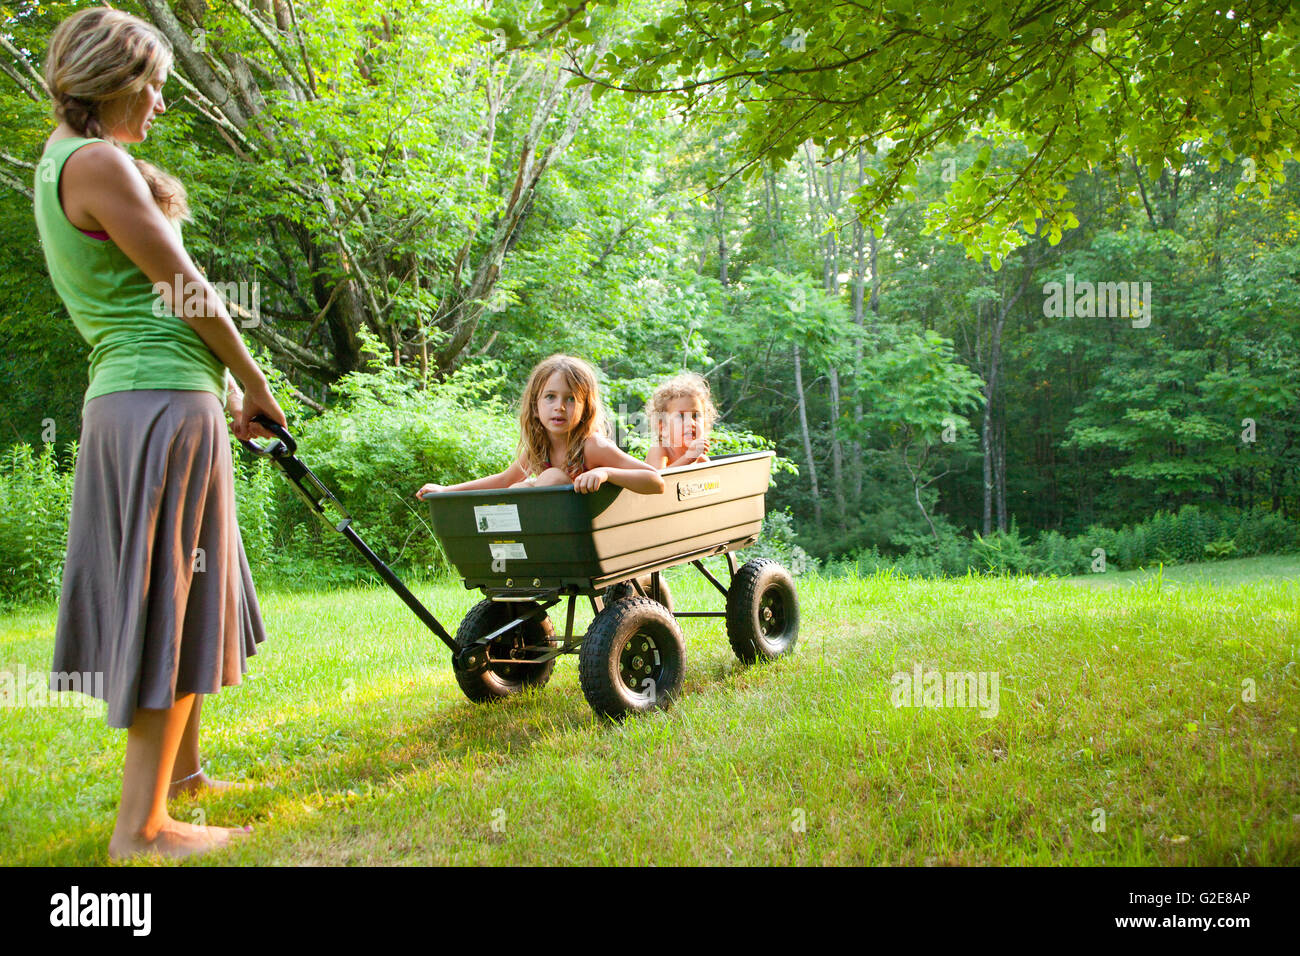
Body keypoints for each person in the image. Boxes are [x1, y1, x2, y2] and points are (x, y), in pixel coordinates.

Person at [35, 7, 286, 859]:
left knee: (186, 581)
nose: (164, 106)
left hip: (149, 396)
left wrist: (229, 390)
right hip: (156, 401)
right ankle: (141, 830)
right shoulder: (98, 161)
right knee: (170, 598)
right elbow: (187, 292)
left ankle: (183, 779)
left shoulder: (66, 163)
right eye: (157, 87)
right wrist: (255, 383)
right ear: (113, 78)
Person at [416, 354, 664, 498]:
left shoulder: (592, 446)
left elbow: (655, 480)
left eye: (571, 399)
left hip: (590, 532)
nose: (560, 407)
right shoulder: (539, 448)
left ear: (585, 408)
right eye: (550, 397)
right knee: (518, 486)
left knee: (552, 477)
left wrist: (606, 473)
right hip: (552, 532)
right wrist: (447, 490)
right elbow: (503, 480)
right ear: (535, 406)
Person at [644, 371, 717, 469]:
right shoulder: (659, 450)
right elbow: (657, 479)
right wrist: (688, 458)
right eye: (681, 416)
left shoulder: (701, 460)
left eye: (695, 416)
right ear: (663, 428)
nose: (690, 423)